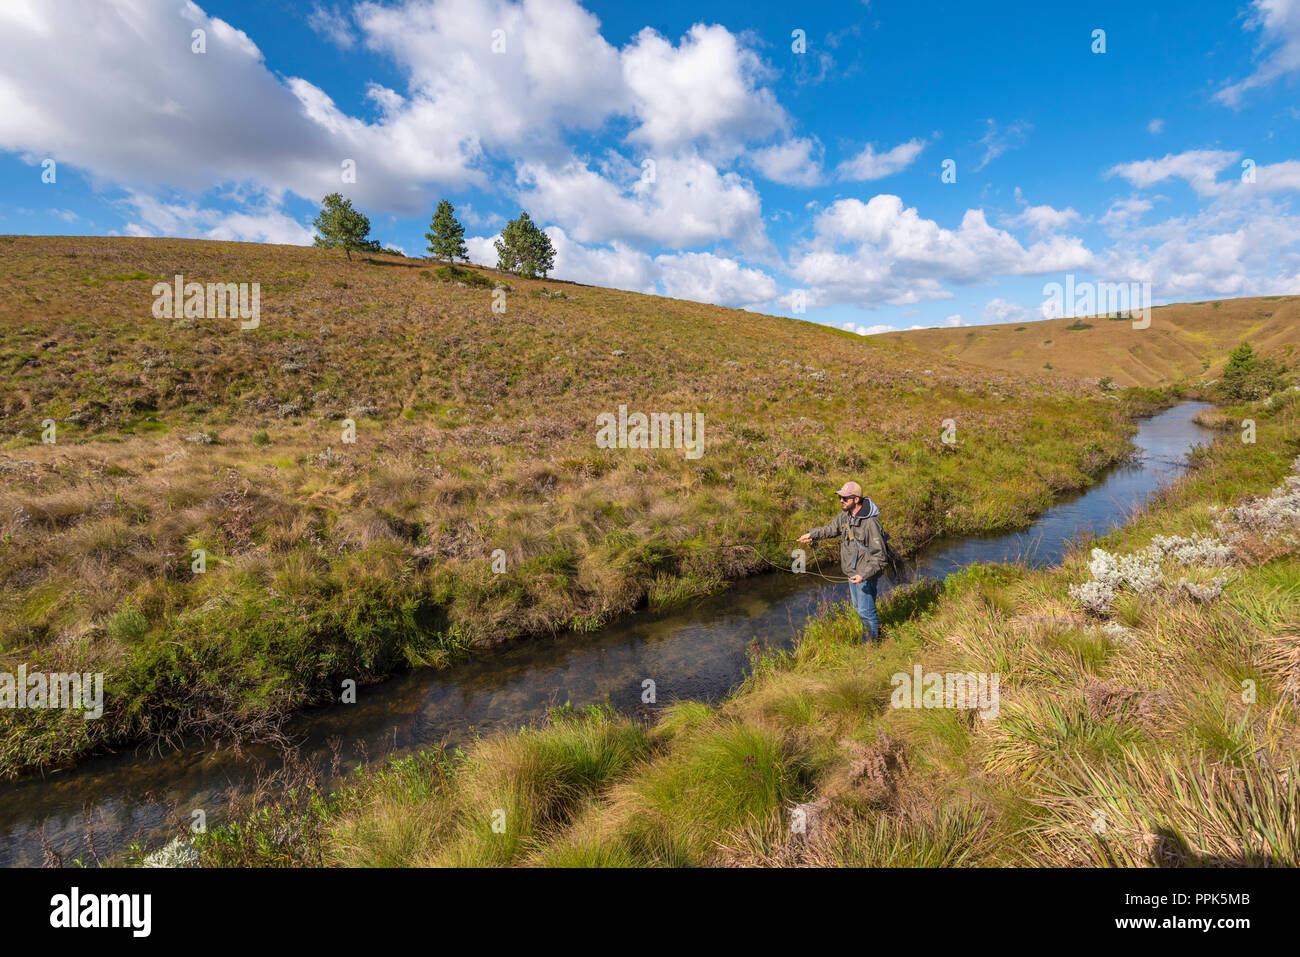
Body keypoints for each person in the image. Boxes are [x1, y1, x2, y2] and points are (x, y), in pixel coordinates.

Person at [798, 481, 887, 643]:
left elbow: (880, 557)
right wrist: (811, 534)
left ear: (856, 499)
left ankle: (873, 645)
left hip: (864, 574)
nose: (841, 500)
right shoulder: (846, 515)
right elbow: (830, 529)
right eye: (840, 497)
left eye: (845, 498)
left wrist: (863, 575)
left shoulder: (871, 523)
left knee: (866, 611)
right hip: (851, 573)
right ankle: (870, 640)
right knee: (859, 610)